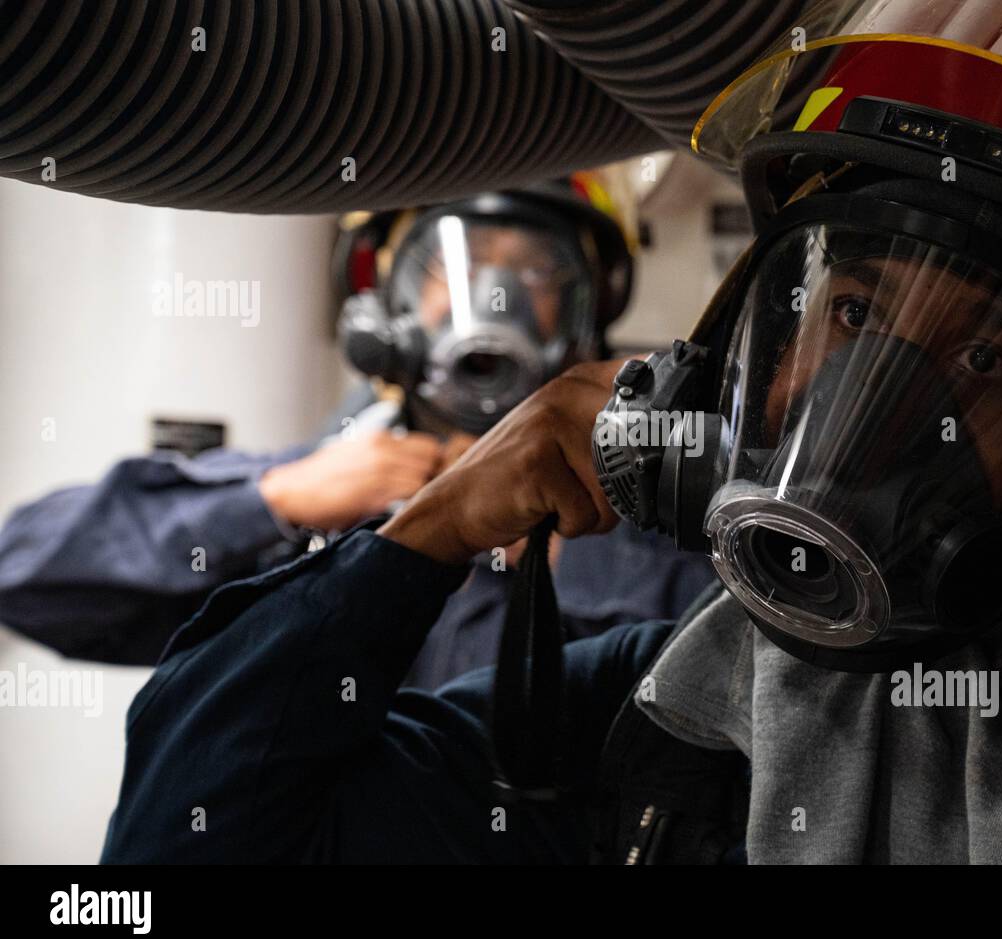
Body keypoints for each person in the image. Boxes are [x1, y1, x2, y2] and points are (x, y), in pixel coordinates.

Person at [102, 0, 1002, 864]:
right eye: (850, 311)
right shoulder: (655, 717)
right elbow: (189, 837)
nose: (875, 400)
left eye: (987, 357)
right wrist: (430, 530)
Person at [0, 179, 714, 686]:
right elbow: (27, 580)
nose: (497, 297)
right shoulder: (317, 502)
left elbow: (745, 671)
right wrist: (270, 500)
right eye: (454, 265)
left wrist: (568, 560)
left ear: (589, 307)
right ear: (388, 295)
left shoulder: (659, 512)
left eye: (535, 268)